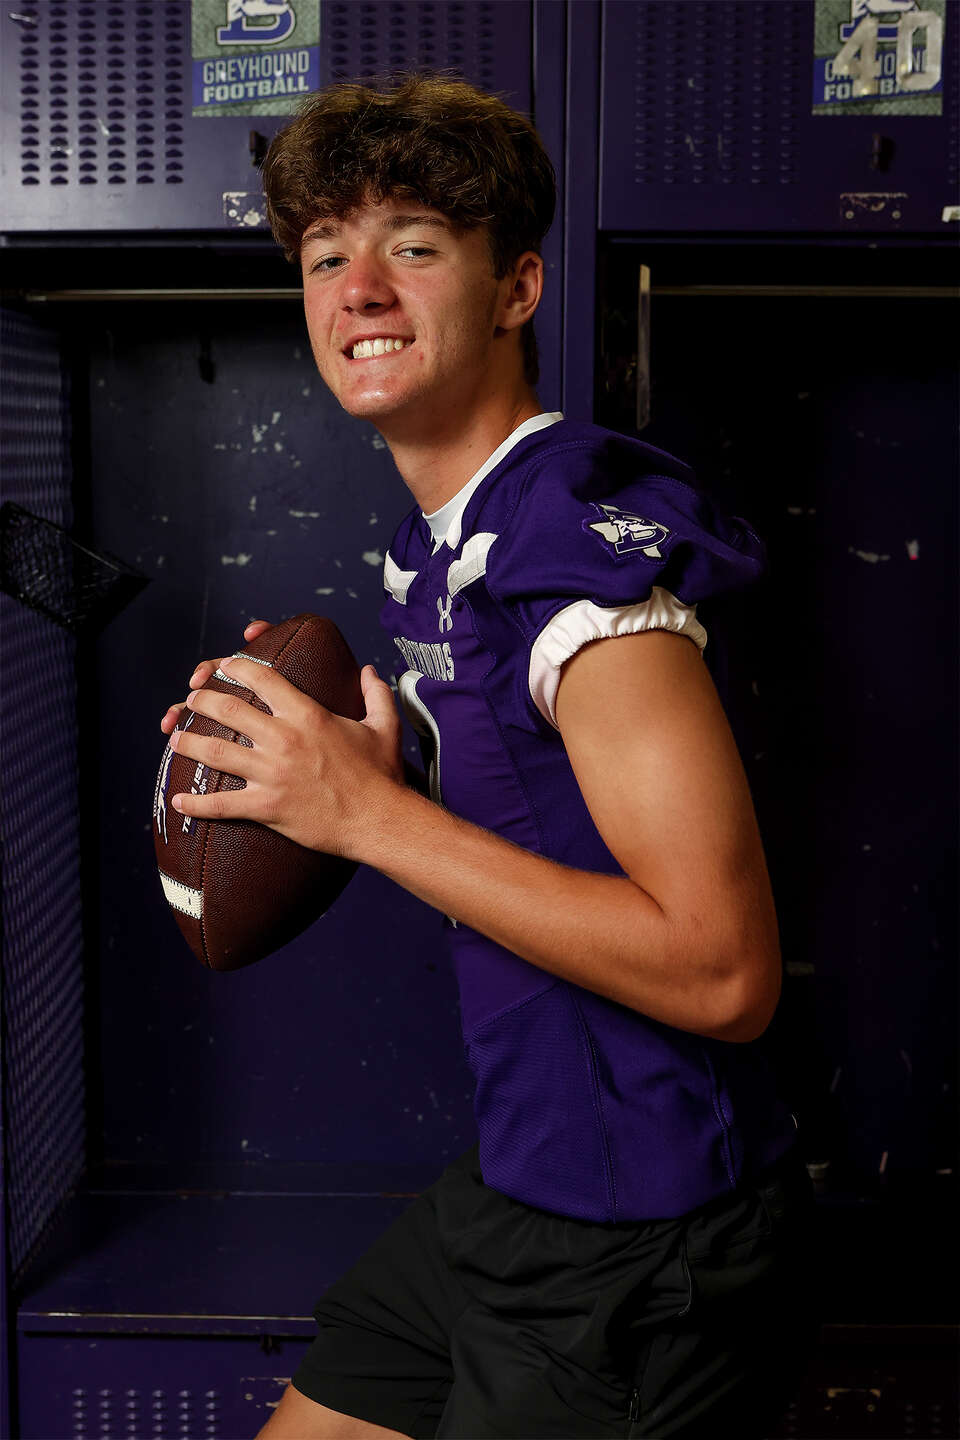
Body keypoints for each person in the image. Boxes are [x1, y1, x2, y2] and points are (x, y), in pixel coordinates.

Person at [159, 72, 821, 1440]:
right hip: (523, 1188)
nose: (359, 290)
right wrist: (369, 779)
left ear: (516, 289)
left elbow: (725, 969)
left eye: (410, 246)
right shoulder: (448, 543)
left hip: (644, 1246)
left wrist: (368, 821)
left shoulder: (576, 567)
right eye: (325, 256)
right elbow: (551, 831)